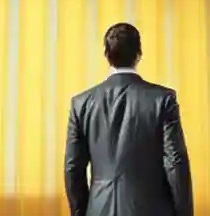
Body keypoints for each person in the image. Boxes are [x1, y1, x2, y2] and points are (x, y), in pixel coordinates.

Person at [63, 22, 193, 216]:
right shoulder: (163, 99)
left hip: (99, 209)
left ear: (107, 55)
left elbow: (73, 167)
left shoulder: (81, 103)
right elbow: (175, 162)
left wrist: (81, 212)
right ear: (138, 54)